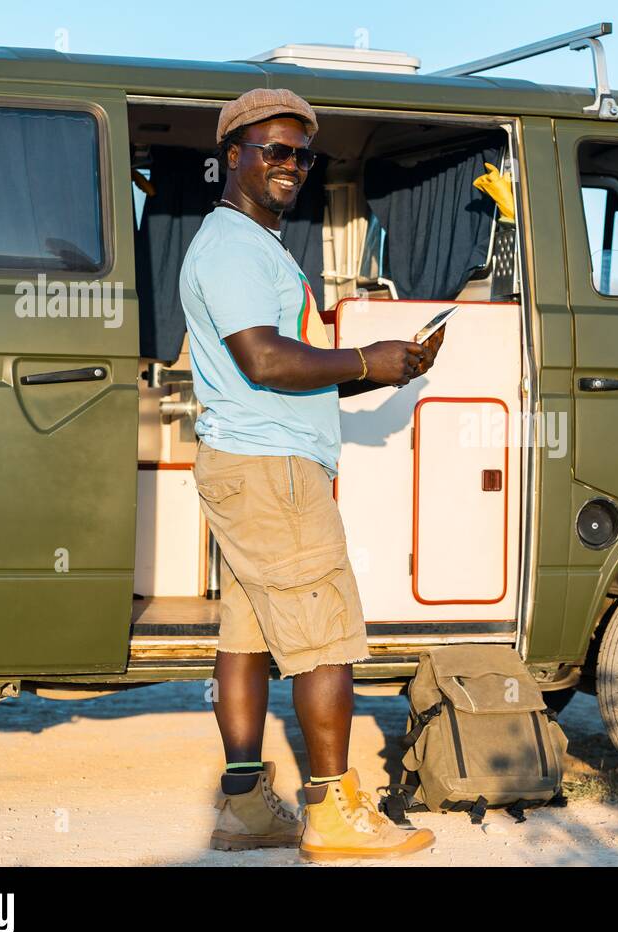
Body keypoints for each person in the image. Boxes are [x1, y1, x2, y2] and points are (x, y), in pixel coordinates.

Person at [179, 88, 444, 861]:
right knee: (327, 635)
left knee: (250, 638)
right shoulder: (232, 246)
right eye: (274, 149)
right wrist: (366, 357)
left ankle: (245, 809)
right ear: (234, 156)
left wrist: (388, 369)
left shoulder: (256, 246)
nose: (291, 163)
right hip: (271, 472)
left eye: (302, 153)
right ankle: (330, 812)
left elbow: (298, 368)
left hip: (256, 464)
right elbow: (263, 358)